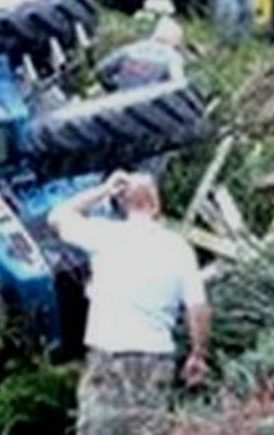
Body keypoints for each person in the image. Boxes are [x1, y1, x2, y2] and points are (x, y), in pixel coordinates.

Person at [49, 170, 211, 435]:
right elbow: (198, 308)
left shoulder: (104, 235)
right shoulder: (178, 248)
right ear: (156, 203)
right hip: (156, 358)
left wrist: (103, 189)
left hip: (108, 357)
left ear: (121, 203)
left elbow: (56, 217)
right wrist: (198, 354)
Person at [95, 17, 186, 91]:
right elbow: (177, 86)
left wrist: (110, 88)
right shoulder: (172, 57)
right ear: (175, 40)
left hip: (118, 99)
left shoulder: (132, 48)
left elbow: (101, 70)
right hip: (146, 106)